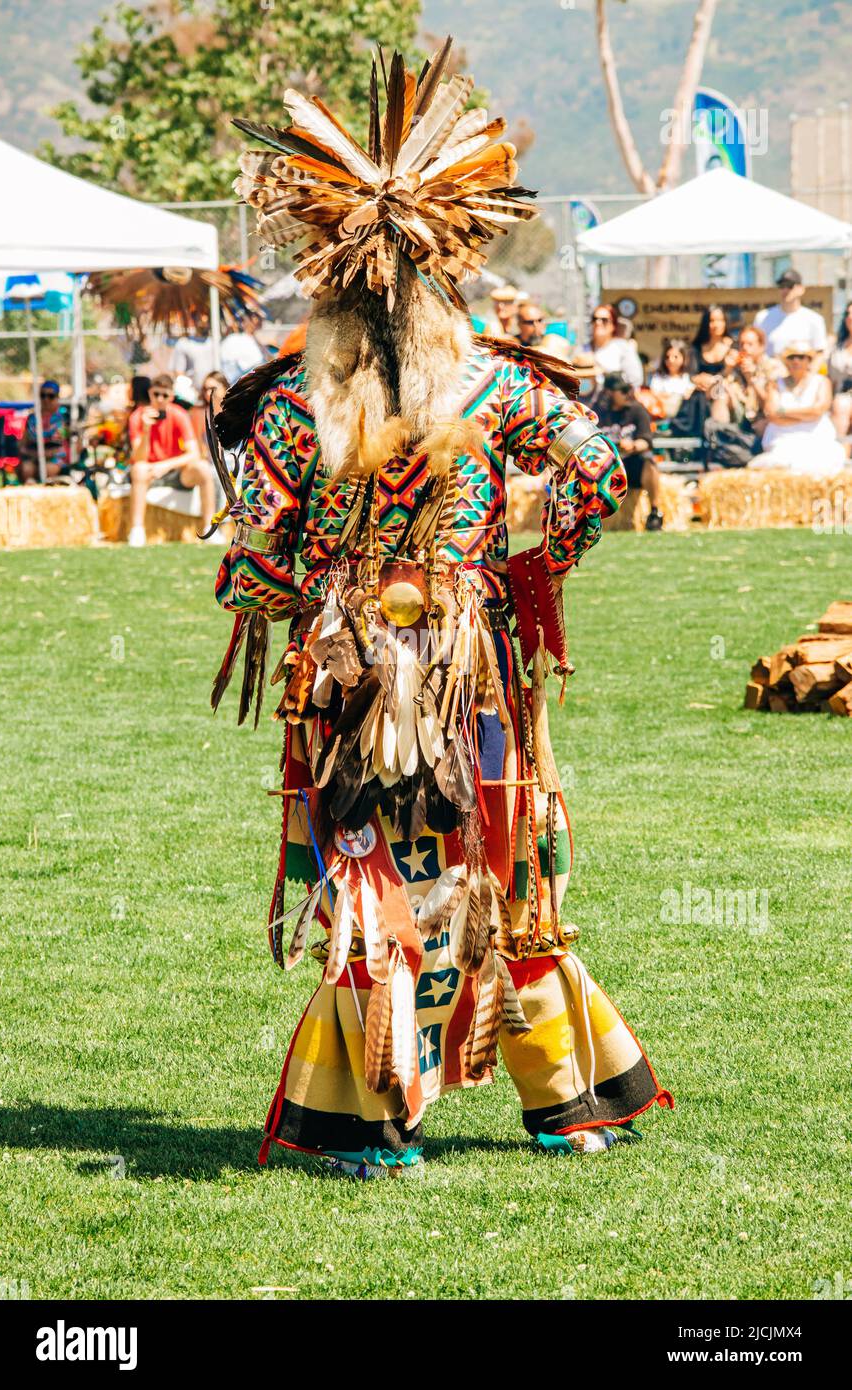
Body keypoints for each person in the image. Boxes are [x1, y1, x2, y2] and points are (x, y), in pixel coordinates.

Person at [212, 41, 671, 1178]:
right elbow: (599, 467)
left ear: (330, 290)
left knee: (375, 876)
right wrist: (528, 571)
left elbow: (252, 572)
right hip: (472, 670)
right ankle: (570, 1102)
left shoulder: (292, 417)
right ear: (443, 279)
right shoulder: (495, 383)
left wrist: (297, 582)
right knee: (502, 866)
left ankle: (366, 1123)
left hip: (356, 681)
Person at [127, 373, 216, 546]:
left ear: (171, 397)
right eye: (156, 394)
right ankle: (136, 530)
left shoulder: (179, 414)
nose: (160, 399)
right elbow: (139, 458)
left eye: (164, 395)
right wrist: (146, 430)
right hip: (149, 473)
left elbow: (194, 453)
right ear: (150, 393)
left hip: (174, 471)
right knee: (138, 469)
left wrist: (165, 466)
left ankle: (210, 528)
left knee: (203, 468)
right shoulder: (137, 417)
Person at [754, 341, 846, 475]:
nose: (796, 361)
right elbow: (771, 413)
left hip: (816, 438)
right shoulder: (775, 384)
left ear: (809, 360)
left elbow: (818, 411)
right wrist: (806, 416)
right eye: (791, 357)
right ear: (786, 361)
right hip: (782, 439)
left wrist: (784, 411)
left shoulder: (822, 381)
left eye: (801, 357)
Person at [704, 325, 781, 468]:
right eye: (742, 344)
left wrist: (752, 380)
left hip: (763, 421)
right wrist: (726, 370)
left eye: (750, 344)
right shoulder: (733, 367)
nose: (745, 348)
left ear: (761, 347)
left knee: (765, 424)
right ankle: (721, 445)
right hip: (738, 423)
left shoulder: (772, 367)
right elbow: (710, 395)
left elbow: (770, 408)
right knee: (721, 395)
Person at [597, 373, 663, 530]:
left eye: (628, 390)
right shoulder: (598, 413)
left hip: (630, 464)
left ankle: (655, 513)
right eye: (623, 390)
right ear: (609, 393)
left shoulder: (637, 410)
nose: (628, 394)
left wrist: (632, 445)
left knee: (650, 462)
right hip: (606, 467)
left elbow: (646, 441)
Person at [754, 269, 827, 360]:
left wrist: (809, 373)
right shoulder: (762, 317)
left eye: (789, 286)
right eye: (782, 286)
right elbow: (754, 349)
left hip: (802, 372)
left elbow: (819, 352)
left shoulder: (815, 319)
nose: (785, 290)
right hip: (770, 372)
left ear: (801, 289)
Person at [18, 380, 71, 483]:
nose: (46, 399)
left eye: (50, 396)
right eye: (43, 395)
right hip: (34, 456)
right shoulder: (32, 418)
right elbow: (22, 443)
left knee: (48, 470)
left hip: (56, 459)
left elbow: (70, 443)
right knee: (27, 470)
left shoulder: (65, 418)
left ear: (57, 397)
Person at [582, 303, 643, 387]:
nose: (598, 322)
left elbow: (636, 379)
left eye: (604, 320)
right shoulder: (583, 349)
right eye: (594, 319)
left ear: (613, 325)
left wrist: (607, 374)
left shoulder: (623, 347)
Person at [220, 311, 269, 385]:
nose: (257, 320)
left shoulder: (260, 342)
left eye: (258, 317)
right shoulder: (233, 340)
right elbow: (229, 372)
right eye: (253, 316)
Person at [649, 339, 694, 418]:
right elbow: (654, 395)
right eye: (667, 357)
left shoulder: (688, 377)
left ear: (684, 358)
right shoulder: (658, 377)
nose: (671, 360)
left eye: (675, 357)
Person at [828, 301, 852, 445]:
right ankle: (840, 453)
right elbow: (829, 378)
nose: (850, 317)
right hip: (840, 396)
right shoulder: (836, 346)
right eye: (848, 314)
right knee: (840, 404)